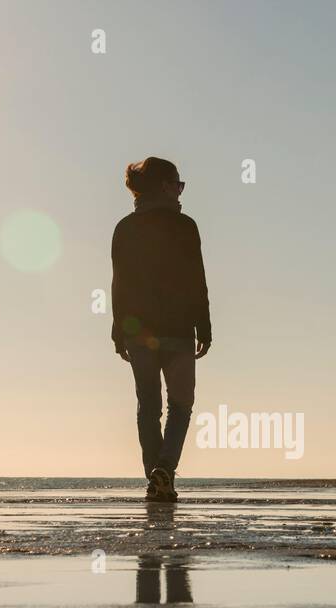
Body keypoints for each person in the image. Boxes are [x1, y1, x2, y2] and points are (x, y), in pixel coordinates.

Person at [111, 156, 211, 502]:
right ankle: (164, 471)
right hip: (179, 328)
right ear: (165, 187)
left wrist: (117, 330)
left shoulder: (125, 228)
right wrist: (205, 326)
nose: (181, 192)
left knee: (148, 406)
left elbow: (119, 284)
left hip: (138, 331)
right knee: (180, 405)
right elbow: (197, 280)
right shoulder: (185, 227)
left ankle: (157, 478)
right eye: (178, 185)